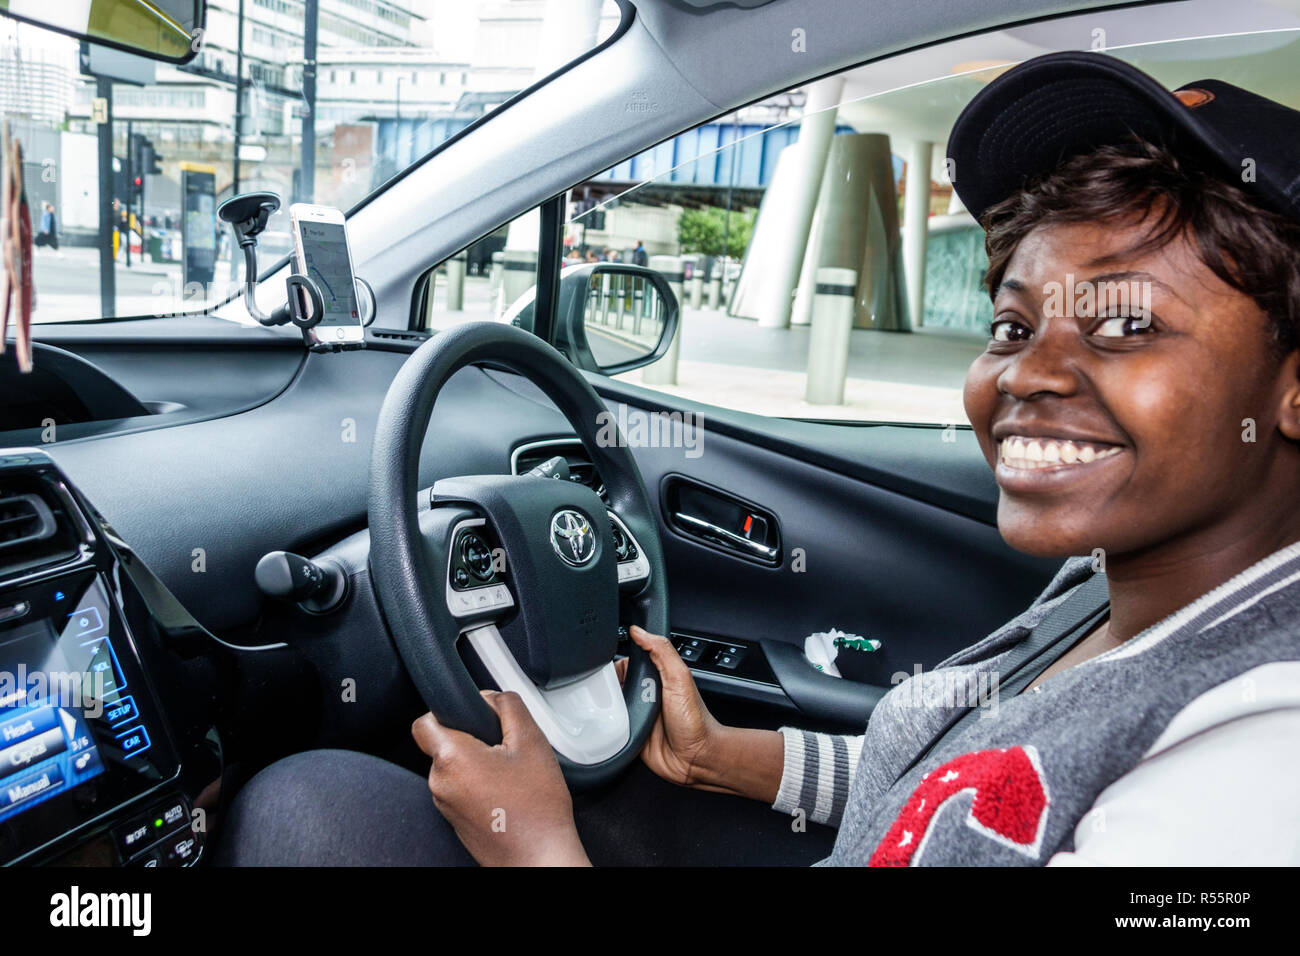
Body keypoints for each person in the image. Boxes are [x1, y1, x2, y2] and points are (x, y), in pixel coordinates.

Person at [216, 52, 1300, 866]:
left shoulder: (1254, 769)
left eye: (1121, 326)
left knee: (304, 814)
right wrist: (724, 755)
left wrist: (535, 846)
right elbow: (950, 796)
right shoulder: (1111, 582)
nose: (1027, 375)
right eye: (1012, 327)